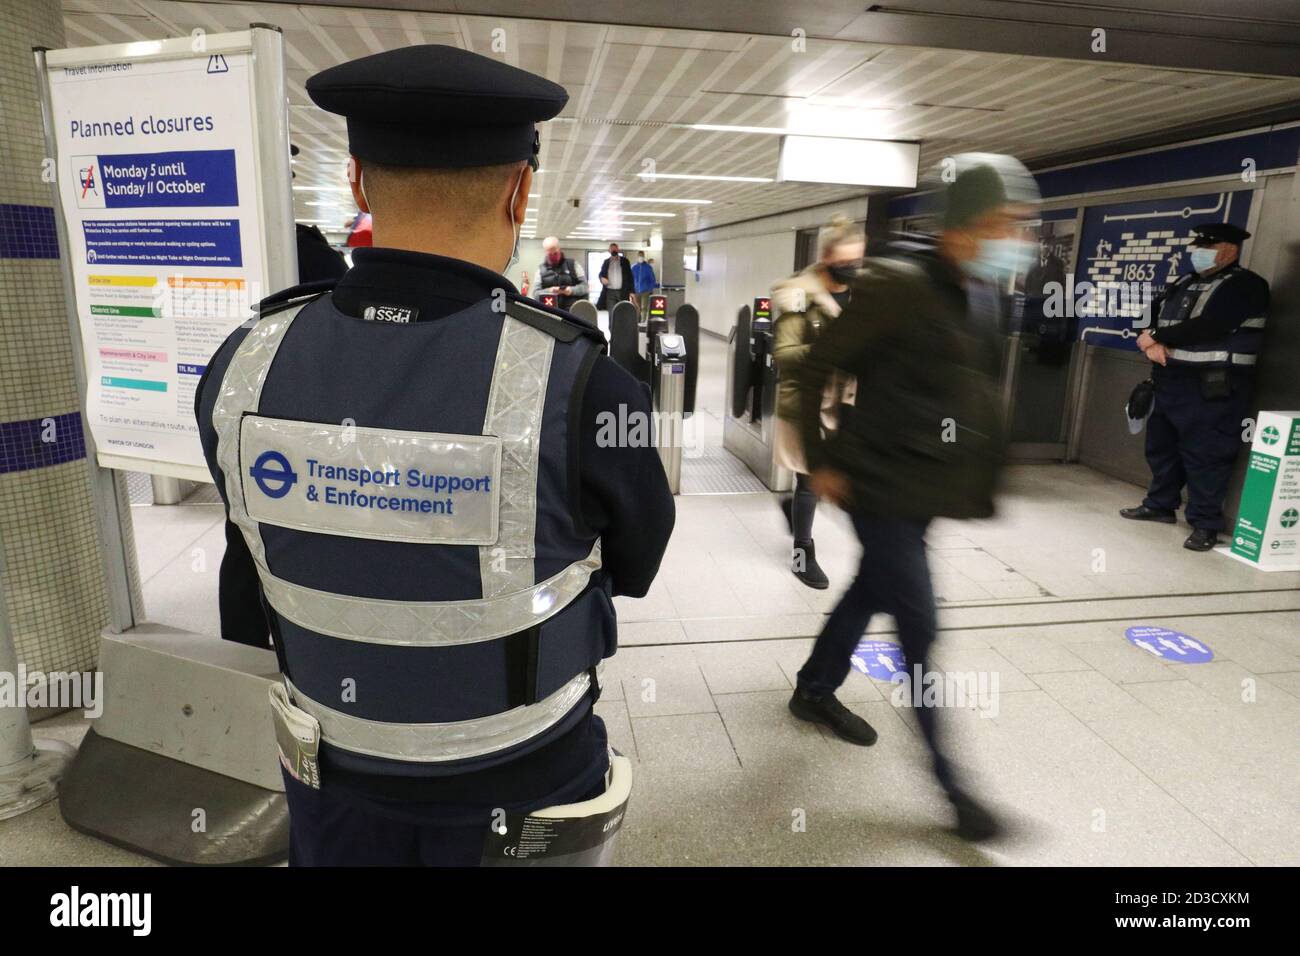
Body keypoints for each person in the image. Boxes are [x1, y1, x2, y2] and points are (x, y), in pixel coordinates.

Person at [193, 44, 675, 866]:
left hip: (330, 774)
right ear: (521, 191)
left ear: (355, 180)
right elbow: (634, 564)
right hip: (524, 776)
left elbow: (250, 556)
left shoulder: (242, 365)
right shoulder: (582, 382)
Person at [788, 154, 1040, 842]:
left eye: (1020, 224)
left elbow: (976, 391)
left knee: (873, 588)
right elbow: (815, 369)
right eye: (1001, 223)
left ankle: (814, 687)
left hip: (928, 486)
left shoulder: (985, 294)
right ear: (961, 225)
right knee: (921, 630)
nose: (1013, 237)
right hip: (877, 484)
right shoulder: (895, 285)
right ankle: (955, 791)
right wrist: (821, 463)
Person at [1121, 222, 1269, 551]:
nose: (1198, 251)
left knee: (1206, 455)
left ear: (1229, 249)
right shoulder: (1185, 281)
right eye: (1198, 245)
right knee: (1162, 447)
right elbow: (1153, 314)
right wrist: (1148, 341)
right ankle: (1160, 505)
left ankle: (1205, 524)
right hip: (1170, 380)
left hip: (1212, 387)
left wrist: (1157, 337)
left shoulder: (1246, 285)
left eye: (1208, 245)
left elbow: (1211, 325)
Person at [770, 214, 864, 589]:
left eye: (859, 259)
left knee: (834, 477)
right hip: (806, 404)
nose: (854, 267)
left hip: (848, 401)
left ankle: (793, 508)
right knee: (810, 479)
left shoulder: (866, 292)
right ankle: (801, 554)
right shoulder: (797, 294)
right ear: (827, 257)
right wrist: (832, 348)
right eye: (847, 260)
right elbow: (785, 354)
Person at [535, 236, 587, 309]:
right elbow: (535, 294)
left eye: (555, 253)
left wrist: (571, 290)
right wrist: (550, 291)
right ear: (545, 252)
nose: (553, 257)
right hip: (550, 312)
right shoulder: (540, 270)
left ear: (559, 249)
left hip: (572, 312)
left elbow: (585, 287)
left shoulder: (574, 265)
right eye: (550, 254)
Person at [597, 242, 634, 312]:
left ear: (618, 250)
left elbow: (630, 277)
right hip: (610, 291)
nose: (613, 250)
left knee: (622, 311)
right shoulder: (606, 262)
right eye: (612, 249)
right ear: (609, 250)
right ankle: (611, 323)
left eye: (615, 249)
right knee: (611, 312)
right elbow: (601, 274)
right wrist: (601, 278)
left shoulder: (625, 261)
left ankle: (621, 323)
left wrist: (632, 291)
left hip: (622, 291)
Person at [631, 249, 657, 317]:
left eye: (642, 256)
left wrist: (649, 289)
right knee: (636, 308)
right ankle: (636, 322)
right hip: (636, 291)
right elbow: (630, 279)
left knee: (644, 308)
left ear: (644, 257)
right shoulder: (633, 267)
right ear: (637, 256)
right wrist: (631, 290)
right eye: (639, 256)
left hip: (645, 291)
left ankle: (643, 323)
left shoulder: (648, 268)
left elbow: (653, 280)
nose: (641, 257)